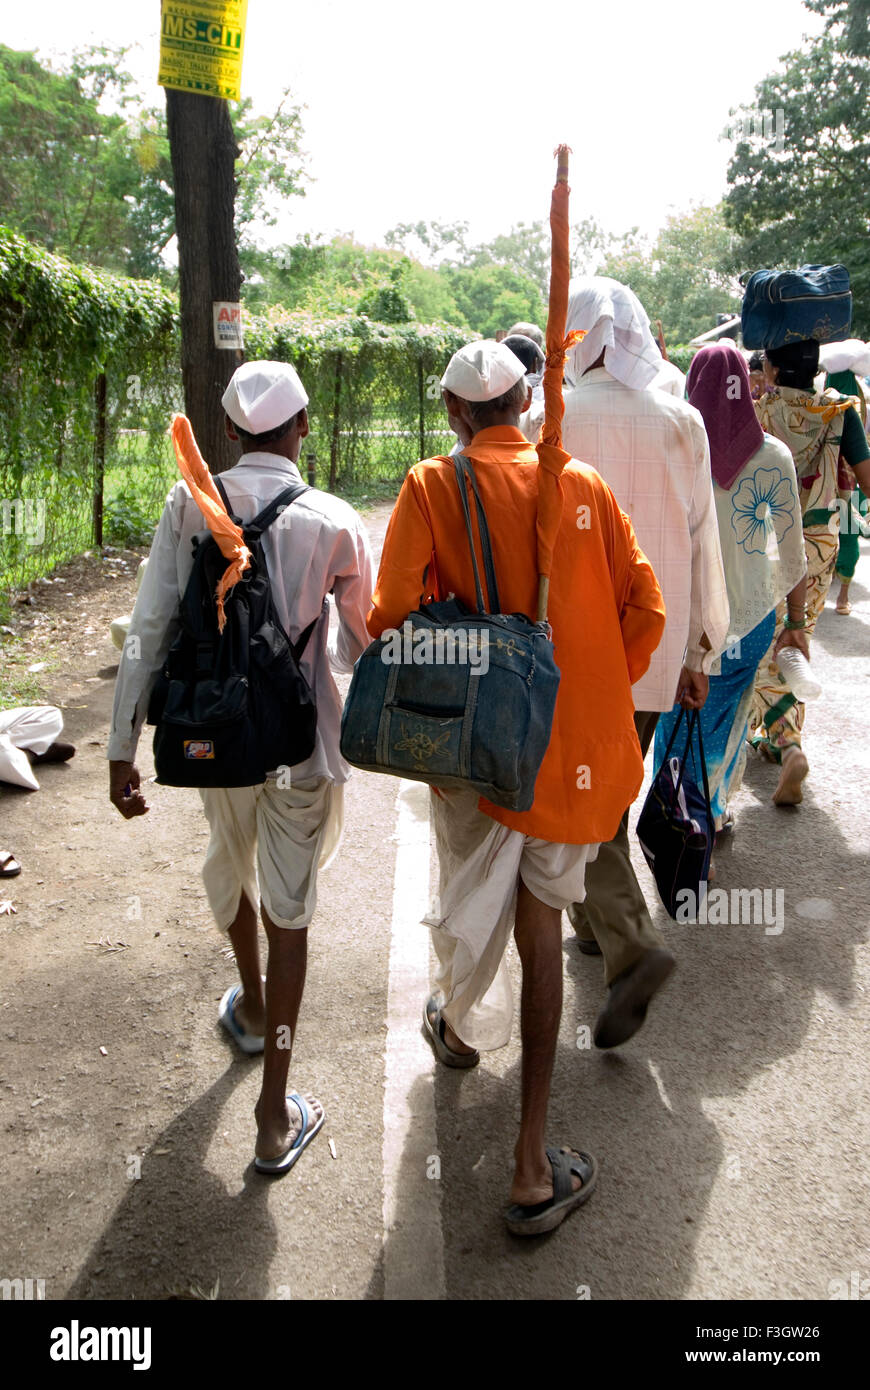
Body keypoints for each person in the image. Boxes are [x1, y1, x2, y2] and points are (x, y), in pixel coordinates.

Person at [368, 340, 665, 1235]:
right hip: (572, 763)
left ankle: (458, 1030)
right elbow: (643, 609)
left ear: (457, 415)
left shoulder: (429, 487)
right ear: (528, 398)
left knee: (468, 897)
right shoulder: (582, 485)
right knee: (541, 927)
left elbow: (390, 618)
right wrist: (586, 696)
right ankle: (532, 1167)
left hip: (479, 756)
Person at [108, 361, 373, 1173]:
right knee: (293, 912)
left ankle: (251, 1006)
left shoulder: (190, 501)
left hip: (214, 739)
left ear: (229, 430)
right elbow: (362, 644)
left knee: (231, 862)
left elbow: (149, 627)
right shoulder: (332, 518)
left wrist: (121, 748)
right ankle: (270, 1115)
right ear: (301, 430)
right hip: (299, 748)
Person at [527, 278, 730, 1048]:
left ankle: (631, 947)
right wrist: (702, 645)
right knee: (605, 786)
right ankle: (597, 924)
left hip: (563, 654)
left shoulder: (552, 416)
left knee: (587, 800)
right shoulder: (682, 422)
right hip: (650, 651)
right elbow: (704, 538)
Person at [653, 344, 807, 857]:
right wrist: (797, 620)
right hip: (750, 616)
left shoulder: (673, 449)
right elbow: (792, 549)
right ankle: (709, 815)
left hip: (681, 621)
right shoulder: (773, 455)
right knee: (725, 720)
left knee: (677, 718)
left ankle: (682, 819)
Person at [749, 338, 870, 802]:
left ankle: (784, 739)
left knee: (761, 642)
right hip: (819, 542)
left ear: (772, 368)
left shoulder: (759, 411)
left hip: (761, 541)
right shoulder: (840, 412)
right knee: (796, 637)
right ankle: (783, 738)